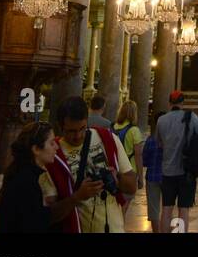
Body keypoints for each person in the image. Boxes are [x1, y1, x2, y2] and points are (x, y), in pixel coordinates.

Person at [40, 96, 136, 234]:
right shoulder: (53, 155)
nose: (78, 135)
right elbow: (49, 215)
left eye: (82, 128)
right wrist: (78, 196)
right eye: (71, 131)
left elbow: (132, 187)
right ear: (60, 127)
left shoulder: (108, 139)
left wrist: (117, 179)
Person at [0, 121, 101, 233]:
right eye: (51, 143)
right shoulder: (25, 181)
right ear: (36, 149)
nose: (56, 147)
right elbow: (34, 223)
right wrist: (76, 197)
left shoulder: (25, 174)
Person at [155, 90, 198, 233]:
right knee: (183, 210)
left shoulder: (161, 120)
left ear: (169, 103)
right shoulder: (191, 117)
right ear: (183, 103)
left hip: (167, 170)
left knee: (166, 209)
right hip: (186, 171)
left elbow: (159, 143)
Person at [113, 100, 144, 212]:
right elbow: (138, 155)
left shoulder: (113, 127)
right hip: (129, 172)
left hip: (115, 170)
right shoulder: (134, 131)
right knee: (123, 208)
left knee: (115, 205)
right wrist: (141, 177)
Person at [141, 116, 164, 233]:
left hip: (152, 177)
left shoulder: (150, 140)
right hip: (168, 177)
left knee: (153, 209)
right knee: (168, 207)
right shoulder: (169, 139)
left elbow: (144, 161)